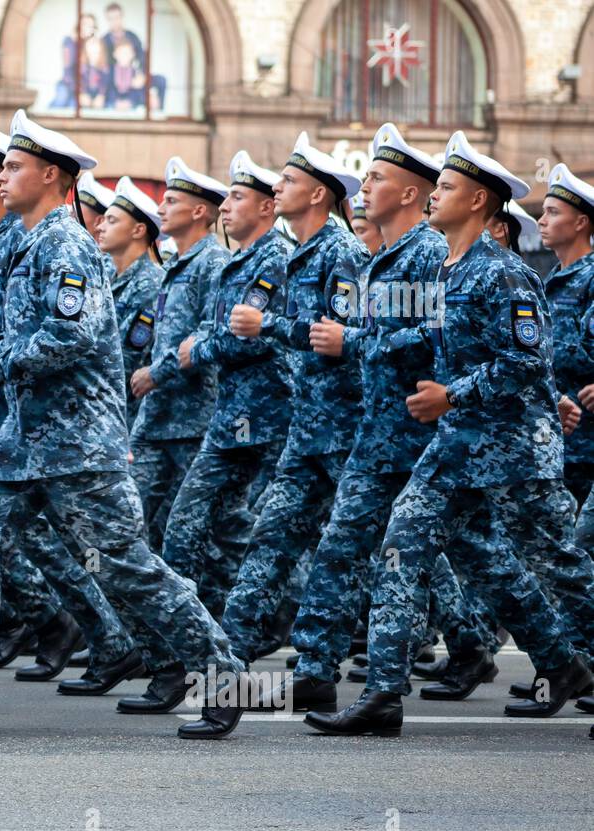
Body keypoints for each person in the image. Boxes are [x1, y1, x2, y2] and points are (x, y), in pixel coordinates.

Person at [0, 110, 246, 739]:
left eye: (13, 167)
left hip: (78, 444)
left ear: (50, 175)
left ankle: (223, 674)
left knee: (125, 566)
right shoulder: (21, 242)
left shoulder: (67, 243)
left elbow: (73, 332)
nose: (1, 175)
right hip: (20, 441)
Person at [306, 131, 594, 735]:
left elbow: (523, 363)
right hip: (458, 446)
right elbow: (429, 346)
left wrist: (452, 394)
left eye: (447, 187)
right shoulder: (440, 270)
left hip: (516, 449)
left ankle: (568, 663)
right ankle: (384, 694)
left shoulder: (504, 275)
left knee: (558, 567)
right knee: (403, 541)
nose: (435, 195)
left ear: (480, 201)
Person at [218, 132, 369, 678]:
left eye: (290, 181)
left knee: (360, 546)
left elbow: (344, 335)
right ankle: (229, 668)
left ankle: (473, 639)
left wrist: (271, 326)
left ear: (319, 196)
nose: (277, 186)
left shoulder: (342, 252)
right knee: (272, 537)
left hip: (349, 427)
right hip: (308, 429)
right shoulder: (300, 253)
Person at [163, 150, 293, 620]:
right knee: (200, 522)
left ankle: (272, 614)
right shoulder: (234, 263)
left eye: (237, 197)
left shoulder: (276, 258)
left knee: (278, 525)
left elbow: (250, 337)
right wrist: (205, 342)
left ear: (266, 207)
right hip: (230, 417)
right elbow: (220, 329)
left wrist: (200, 349)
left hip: (269, 415)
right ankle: (196, 631)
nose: (225, 206)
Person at [128, 157, 228, 557]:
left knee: (197, 532)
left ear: (200, 211)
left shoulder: (213, 262)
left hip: (192, 420)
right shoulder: (174, 265)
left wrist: (158, 372)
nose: (161, 209)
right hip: (156, 419)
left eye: (170, 201)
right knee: (129, 521)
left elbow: (208, 334)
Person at [539, 164, 594, 551]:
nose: (541, 221)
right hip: (561, 444)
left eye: (553, 212)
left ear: (581, 223)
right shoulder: (549, 281)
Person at [96, 175, 164, 426]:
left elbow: (125, 360)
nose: (101, 227)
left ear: (138, 230)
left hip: (130, 418)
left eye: (112, 221)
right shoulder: (106, 278)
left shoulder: (152, 283)